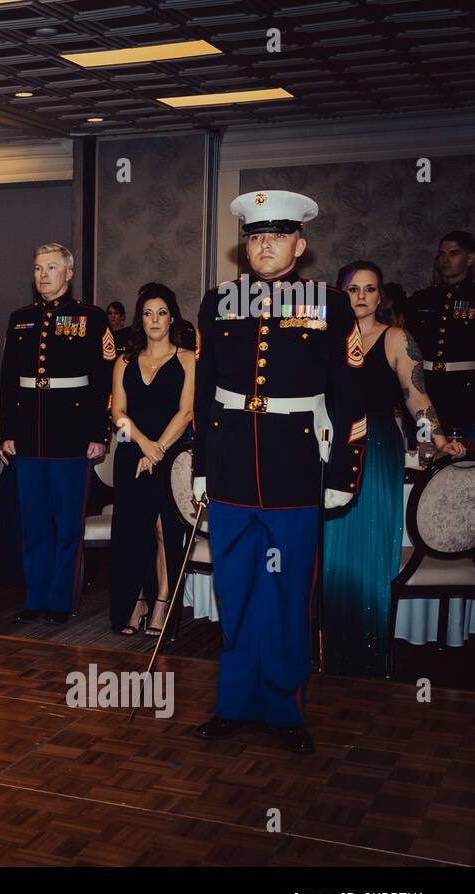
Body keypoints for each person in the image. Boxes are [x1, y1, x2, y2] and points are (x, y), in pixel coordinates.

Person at [192, 190, 366, 755]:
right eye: (254, 237)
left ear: (300, 243)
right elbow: (204, 393)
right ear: (244, 247)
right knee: (235, 589)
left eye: (275, 235)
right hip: (232, 465)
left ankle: (284, 710)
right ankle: (234, 704)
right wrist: (200, 465)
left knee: (289, 594)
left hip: (296, 465)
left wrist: (344, 472)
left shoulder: (330, 303)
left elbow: (348, 393)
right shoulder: (217, 301)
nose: (263, 245)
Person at [323, 261, 465, 677]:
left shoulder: (395, 338)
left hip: (377, 442)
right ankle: (326, 645)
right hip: (332, 444)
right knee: (330, 542)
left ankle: (365, 650)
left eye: (370, 289)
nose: (362, 296)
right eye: (353, 289)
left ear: (380, 296)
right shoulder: (325, 340)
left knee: (367, 540)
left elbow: (417, 397)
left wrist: (437, 440)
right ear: (340, 294)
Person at [0, 243, 115, 624]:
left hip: (72, 433)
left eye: (51, 268)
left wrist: (99, 432)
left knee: (67, 524)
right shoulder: (20, 319)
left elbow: (102, 381)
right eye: (37, 268)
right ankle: (36, 597)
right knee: (33, 522)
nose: (43, 275)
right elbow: (9, 381)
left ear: (68, 273)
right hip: (30, 432)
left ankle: (62, 599)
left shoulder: (92, 318)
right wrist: (7, 431)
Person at [108, 284, 195, 637]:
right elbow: (118, 412)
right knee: (133, 532)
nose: (154, 320)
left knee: (163, 530)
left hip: (172, 454)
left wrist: (157, 448)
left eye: (161, 312)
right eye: (147, 313)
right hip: (133, 453)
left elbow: (187, 412)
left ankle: (162, 600)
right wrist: (144, 444)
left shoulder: (189, 358)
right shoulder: (125, 360)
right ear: (140, 319)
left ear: (171, 317)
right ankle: (136, 600)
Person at [405, 230, 475, 439]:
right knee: (424, 444)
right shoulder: (421, 299)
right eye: (442, 254)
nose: (445, 260)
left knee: (461, 452)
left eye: (453, 253)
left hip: (464, 392)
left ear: (470, 258)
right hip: (426, 389)